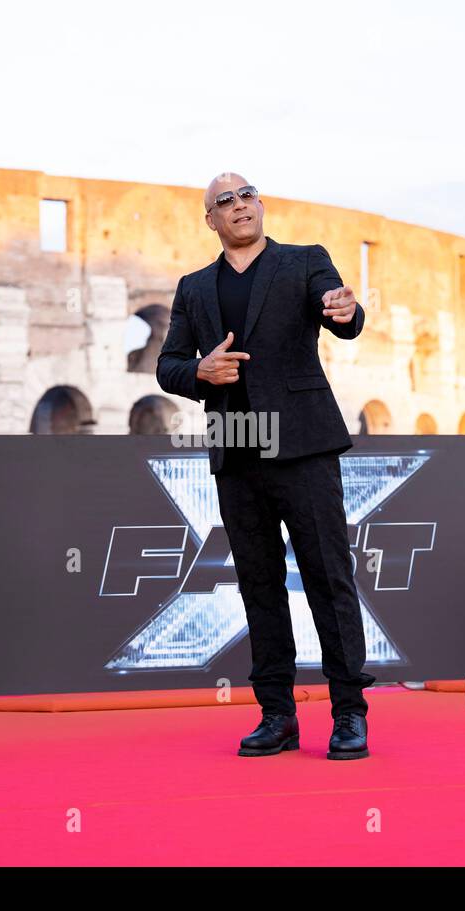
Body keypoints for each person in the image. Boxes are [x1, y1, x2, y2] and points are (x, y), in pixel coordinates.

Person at [156, 172, 375, 760]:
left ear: (260, 205)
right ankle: (277, 715)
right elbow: (168, 366)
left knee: (330, 578)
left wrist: (347, 310)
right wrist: (200, 372)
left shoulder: (306, 261)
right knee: (258, 584)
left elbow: (344, 317)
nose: (238, 205)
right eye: (223, 201)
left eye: (246, 194)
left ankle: (349, 712)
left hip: (303, 445)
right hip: (237, 444)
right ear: (211, 221)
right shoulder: (194, 287)